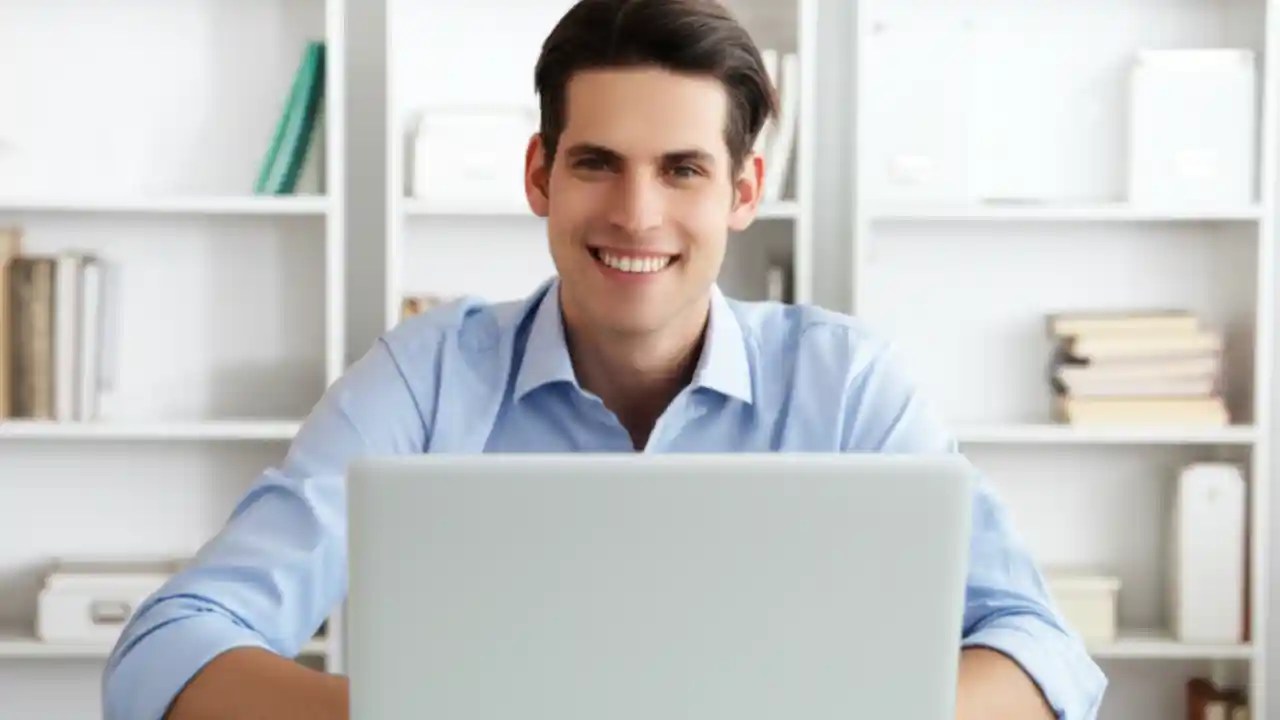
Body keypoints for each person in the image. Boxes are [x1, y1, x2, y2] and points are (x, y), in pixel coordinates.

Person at [103, 0, 1107, 718]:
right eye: (597, 163)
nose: (637, 214)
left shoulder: (845, 384)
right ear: (540, 173)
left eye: (681, 170)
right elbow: (168, 648)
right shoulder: (425, 376)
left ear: (743, 190)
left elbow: (1042, 651)